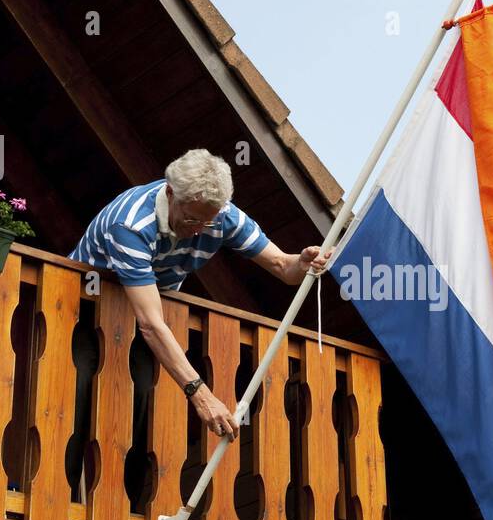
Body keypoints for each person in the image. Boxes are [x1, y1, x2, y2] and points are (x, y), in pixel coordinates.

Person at [67, 148, 331, 448]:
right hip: (86, 307)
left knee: (139, 411)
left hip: (147, 315)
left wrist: (302, 264)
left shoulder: (221, 216)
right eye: (191, 219)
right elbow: (151, 325)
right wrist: (202, 395)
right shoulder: (131, 225)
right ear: (170, 193)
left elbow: (283, 266)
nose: (197, 231)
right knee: (80, 405)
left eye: (206, 222)